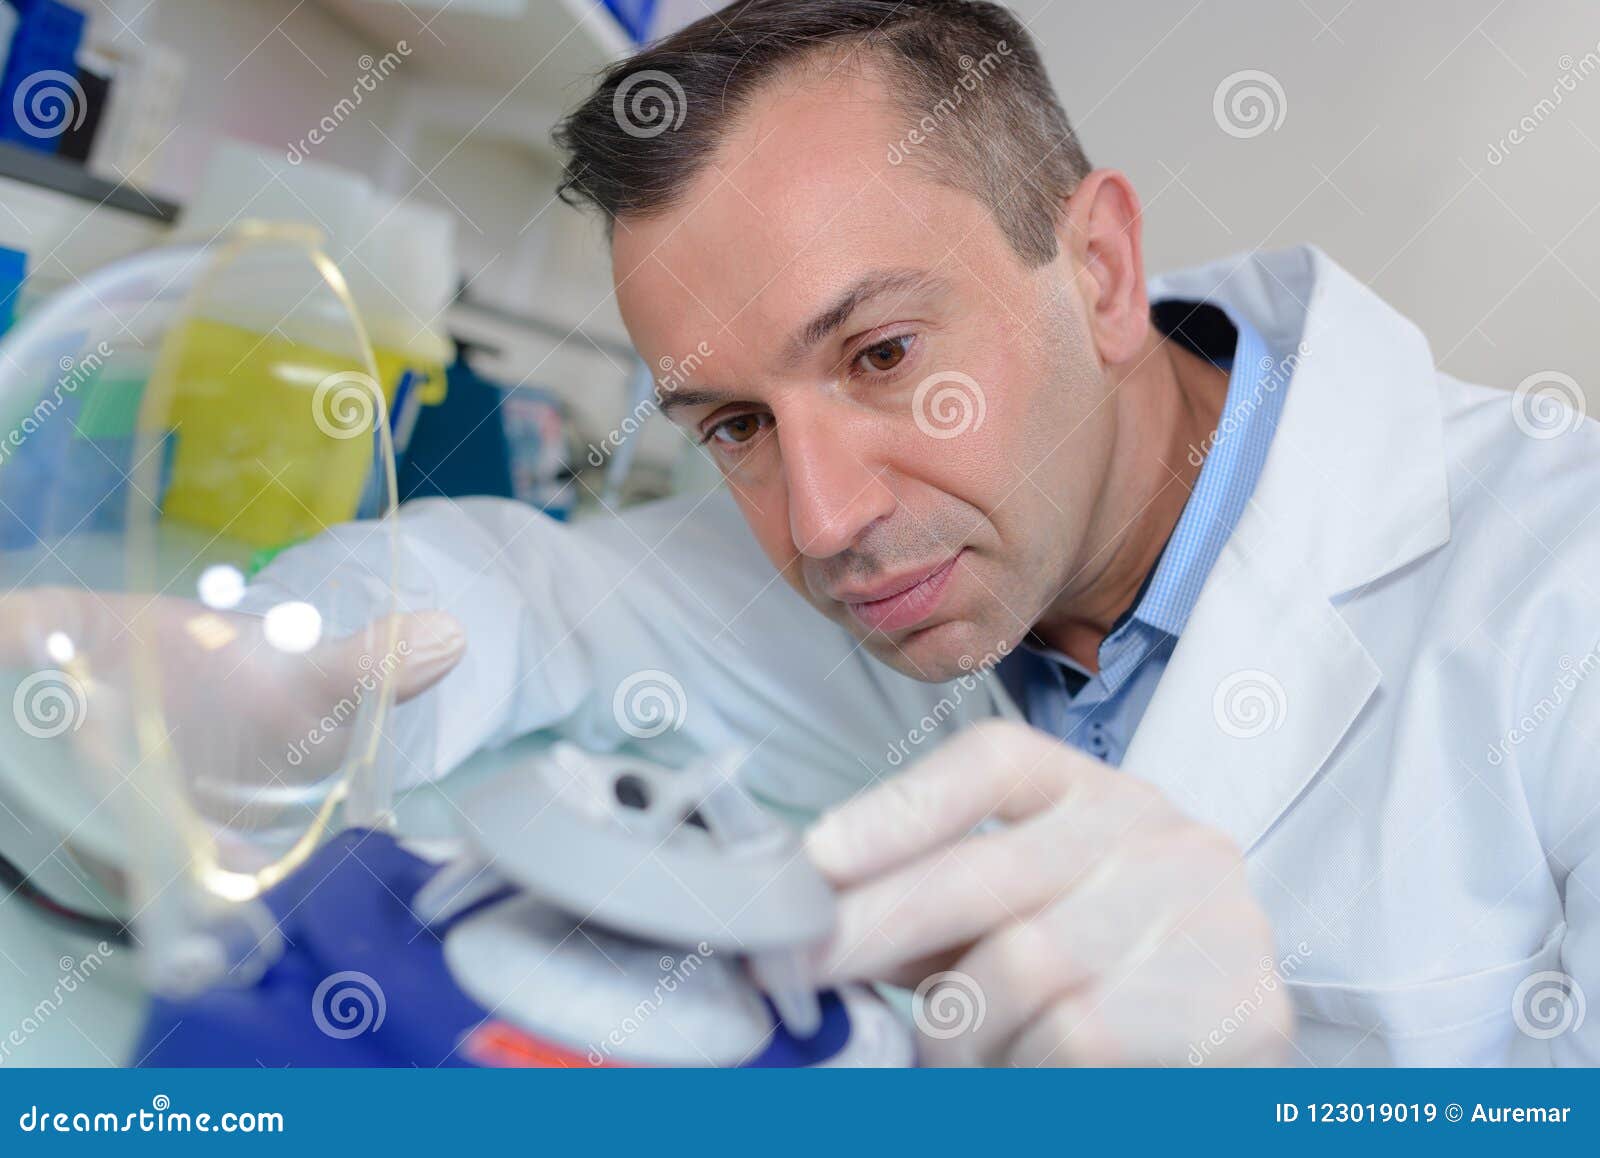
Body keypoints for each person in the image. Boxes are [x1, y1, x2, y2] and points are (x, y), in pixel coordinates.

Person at [12, 0, 1597, 1066]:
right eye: (733, 425)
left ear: (1101, 270)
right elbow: (529, 593)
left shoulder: (1554, 583)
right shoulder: (899, 556)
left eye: (885, 357)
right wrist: (266, 672)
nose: (823, 520)